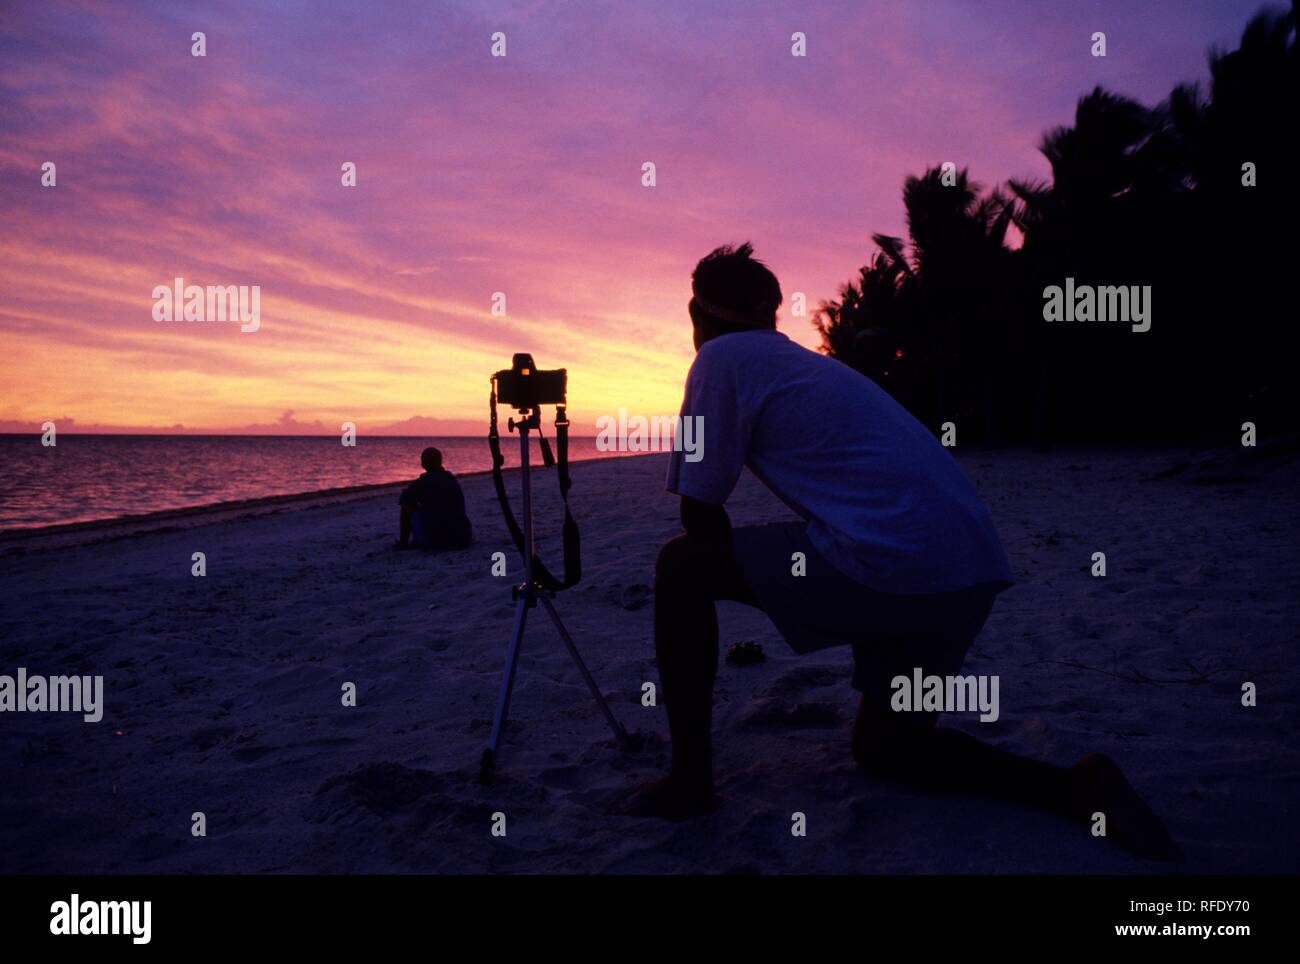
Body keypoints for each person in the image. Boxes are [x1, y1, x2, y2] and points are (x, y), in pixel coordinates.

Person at [631, 242, 1180, 861]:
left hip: (892, 562)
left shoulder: (723, 358)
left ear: (695, 313)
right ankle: (1079, 787)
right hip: (965, 571)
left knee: (679, 568)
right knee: (890, 751)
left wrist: (771, 588)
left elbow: (699, 513)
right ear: (770, 314)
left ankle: (690, 781)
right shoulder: (809, 368)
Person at [397, 447, 472, 551]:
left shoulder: (423, 482)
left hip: (436, 541)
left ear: (423, 464)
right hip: (462, 537)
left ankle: (403, 542)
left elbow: (404, 499)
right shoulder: (451, 479)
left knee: (406, 503)